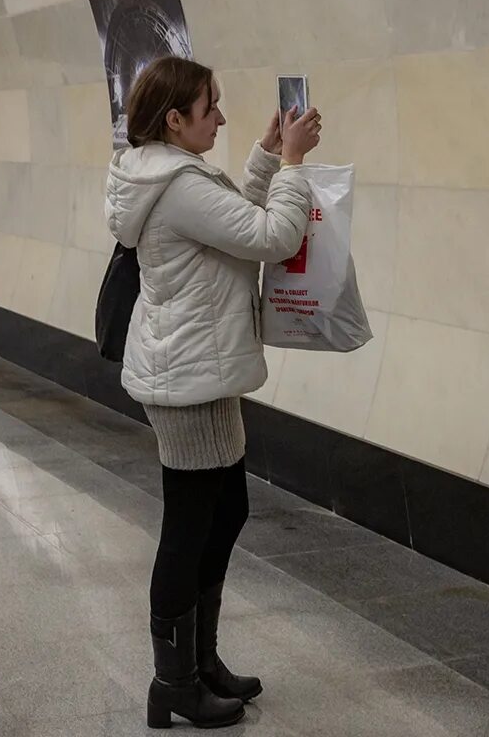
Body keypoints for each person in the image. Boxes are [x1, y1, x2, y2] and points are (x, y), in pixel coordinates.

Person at [104, 56, 322, 729]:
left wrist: (262, 156)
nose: (222, 117)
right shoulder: (176, 184)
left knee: (224, 513)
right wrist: (291, 166)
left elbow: (232, 216)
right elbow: (271, 234)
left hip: (199, 366)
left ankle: (200, 663)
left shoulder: (172, 172)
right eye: (211, 107)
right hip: (187, 375)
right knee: (190, 527)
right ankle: (173, 682)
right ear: (175, 119)